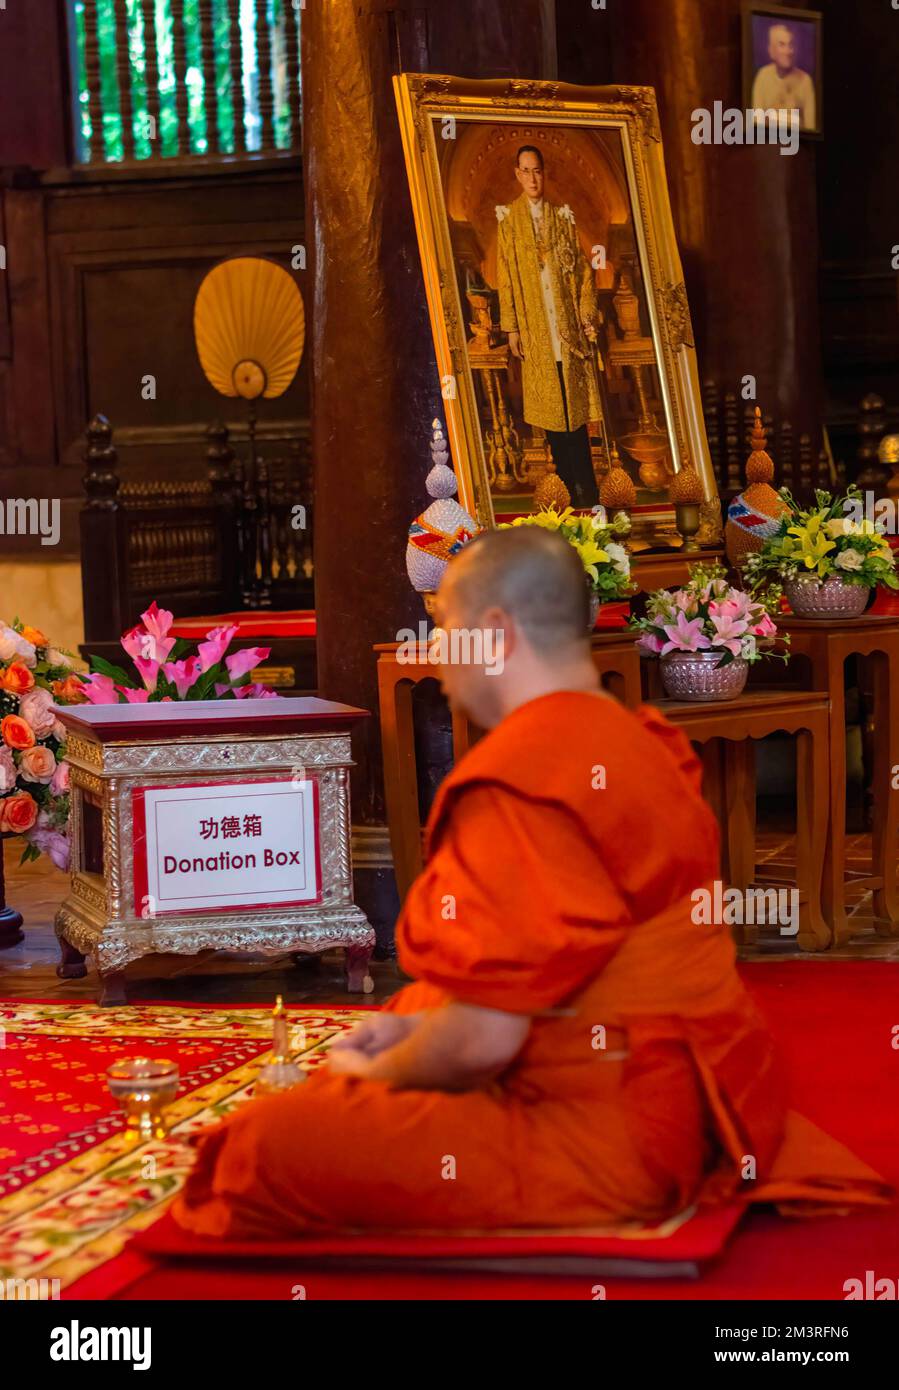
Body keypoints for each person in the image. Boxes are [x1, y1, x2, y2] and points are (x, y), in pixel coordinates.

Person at [174, 529, 887, 1240]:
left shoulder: (525, 775)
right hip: (702, 1087)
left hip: (609, 1135)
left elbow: (481, 1043)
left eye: (446, 634)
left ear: (493, 633)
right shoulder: (636, 739)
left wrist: (380, 1076)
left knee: (262, 1147)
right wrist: (411, 1030)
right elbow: (550, 958)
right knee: (417, 1002)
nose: (441, 662)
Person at [496, 145, 602, 508]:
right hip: (535, 329)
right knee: (554, 415)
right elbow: (506, 278)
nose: (532, 178)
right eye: (525, 171)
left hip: (567, 329)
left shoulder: (562, 219)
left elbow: (585, 274)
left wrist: (587, 315)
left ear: (545, 173)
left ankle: (589, 491)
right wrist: (511, 328)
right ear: (517, 174)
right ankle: (567, 493)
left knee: (575, 412)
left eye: (537, 170)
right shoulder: (508, 222)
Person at [751, 23, 816, 131]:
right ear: (771, 51)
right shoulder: (762, 77)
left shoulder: (805, 80)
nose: (788, 51)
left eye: (790, 45)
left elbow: (811, 129)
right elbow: (756, 126)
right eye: (782, 45)